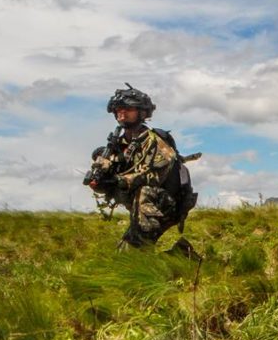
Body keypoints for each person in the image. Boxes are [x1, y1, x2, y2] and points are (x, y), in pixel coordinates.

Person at [84, 85, 197, 251]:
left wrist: (119, 180)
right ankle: (182, 255)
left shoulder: (156, 140)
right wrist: (102, 182)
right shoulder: (118, 145)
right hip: (140, 206)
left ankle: (149, 252)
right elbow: (111, 184)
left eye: (128, 109)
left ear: (142, 113)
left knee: (134, 250)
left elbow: (155, 177)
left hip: (165, 202)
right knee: (122, 255)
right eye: (118, 109)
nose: (122, 113)